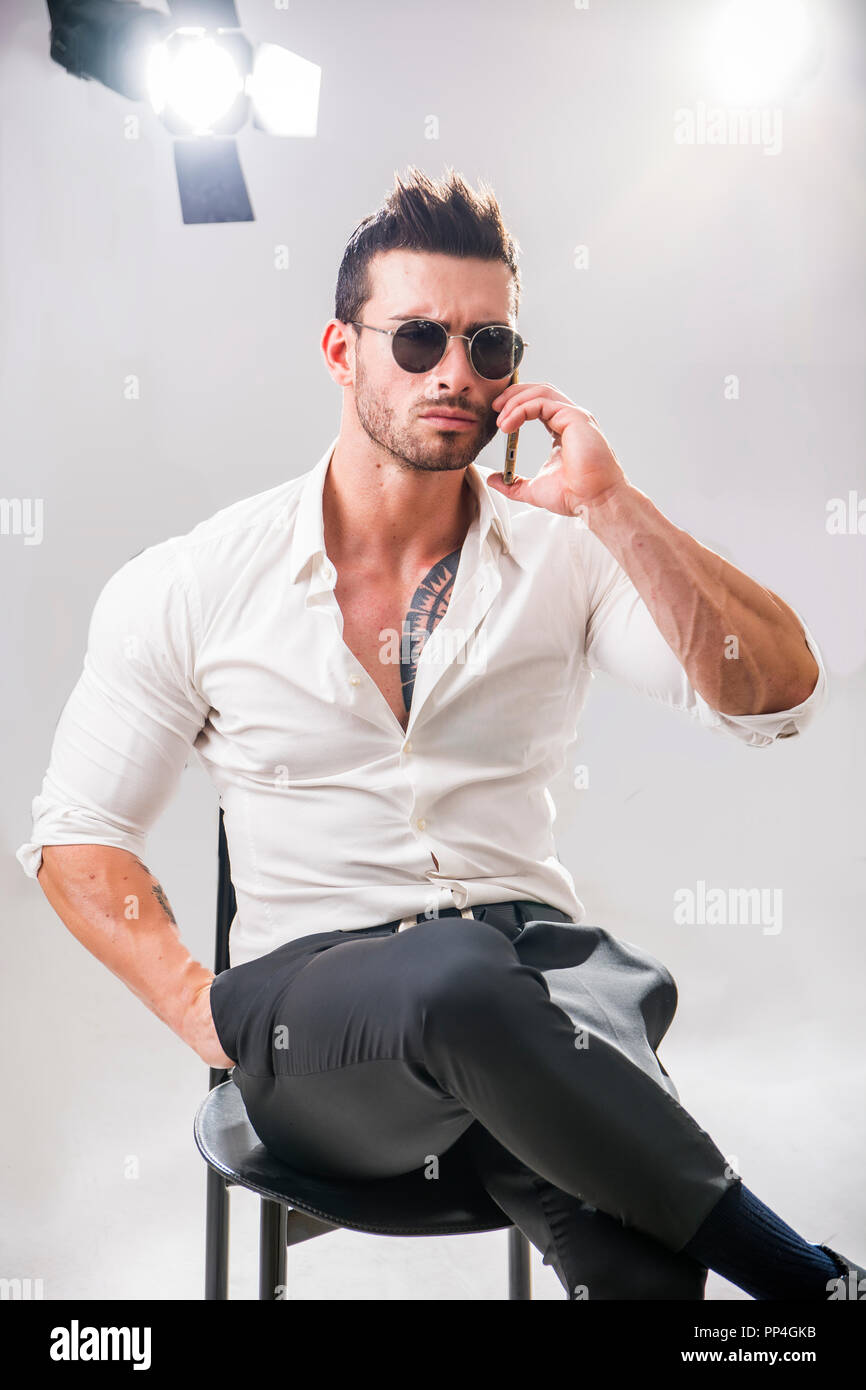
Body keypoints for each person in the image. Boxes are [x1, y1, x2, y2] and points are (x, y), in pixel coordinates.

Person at [18, 166, 863, 1301]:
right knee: (459, 975)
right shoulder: (195, 581)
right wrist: (204, 1013)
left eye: (489, 347)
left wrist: (614, 507)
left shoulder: (563, 552)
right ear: (340, 353)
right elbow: (76, 838)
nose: (455, 375)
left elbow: (776, 695)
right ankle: (812, 1286)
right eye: (417, 340)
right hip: (313, 1021)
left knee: (644, 1272)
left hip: (539, 1006)